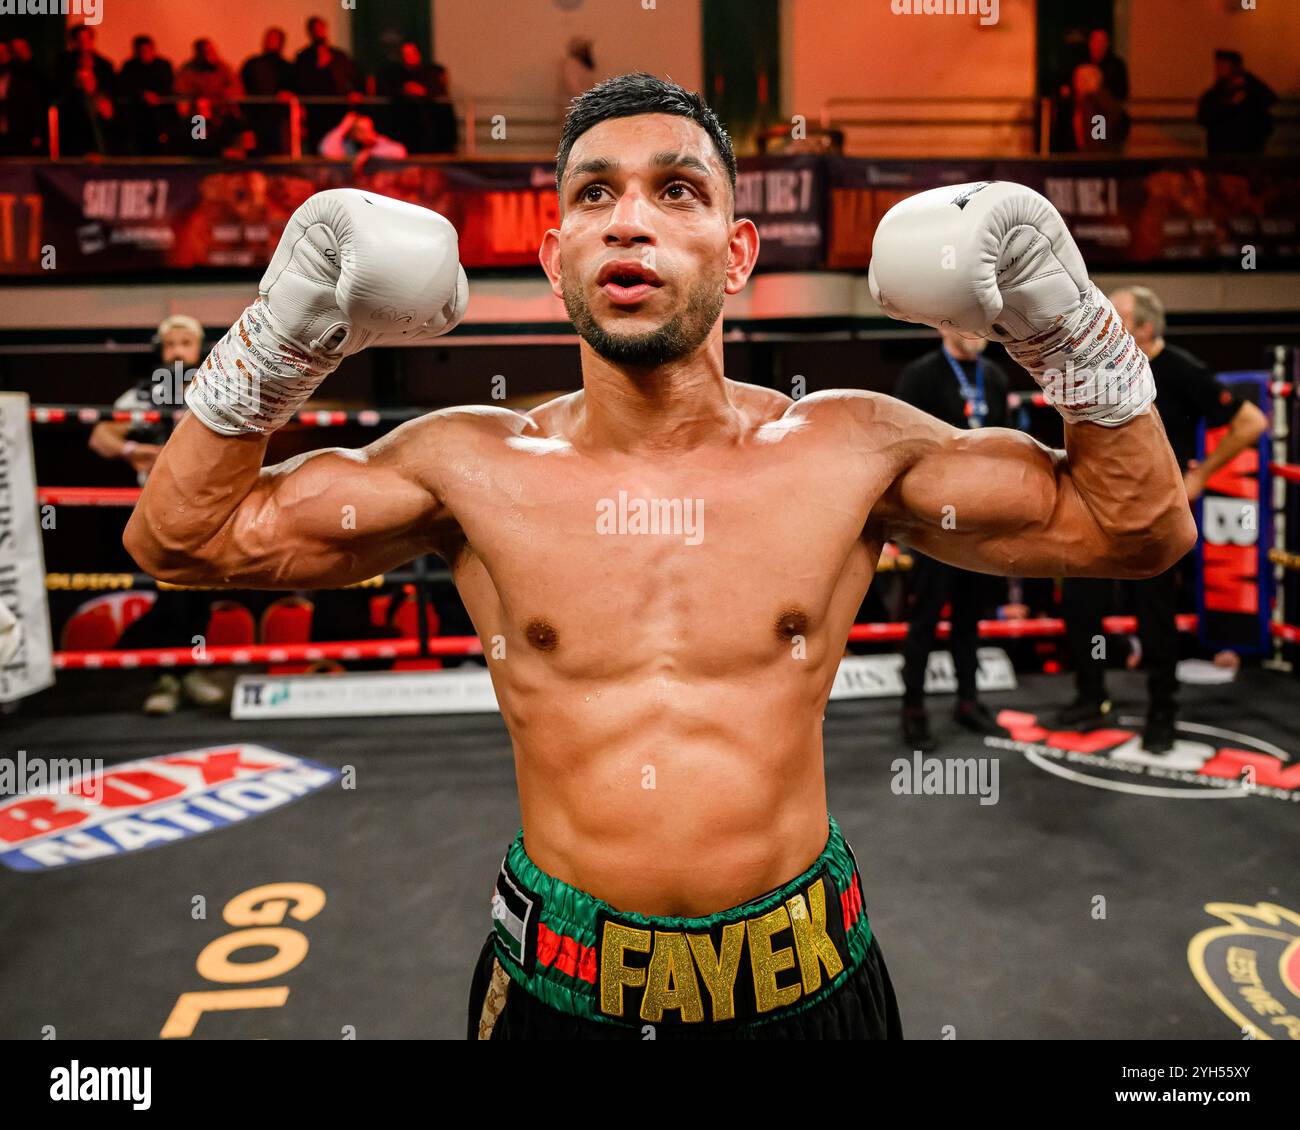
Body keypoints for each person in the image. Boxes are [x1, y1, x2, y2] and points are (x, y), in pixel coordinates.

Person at [125, 75, 1195, 1040]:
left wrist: (1070, 330)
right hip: (561, 994)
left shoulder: (851, 447)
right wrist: (279, 342)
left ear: (738, 252)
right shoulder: (467, 465)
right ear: (555, 260)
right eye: (594, 193)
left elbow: (1135, 529)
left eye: (676, 190)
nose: (628, 219)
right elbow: (180, 539)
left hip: (808, 983)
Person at [1055, 286, 1267, 751]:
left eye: (1117, 318)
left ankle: (1161, 713)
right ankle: (1091, 698)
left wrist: (1200, 477)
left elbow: (1252, 421)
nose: (1103, 325)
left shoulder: (1179, 369)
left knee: (1155, 619)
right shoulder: (1099, 368)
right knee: (1081, 606)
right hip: (1097, 511)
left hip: (1153, 516)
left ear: (1145, 329)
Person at [91, 315, 227, 714]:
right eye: (171, 345)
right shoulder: (144, 394)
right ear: (160, 351)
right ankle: (167, 677)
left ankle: (189, 672)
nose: (178, 352)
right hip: (158, 510)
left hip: (207, 508)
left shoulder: (217, 385)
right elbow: (100, 436)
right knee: (167, 592)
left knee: (201, 591)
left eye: (186, 343)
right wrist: (133, 450)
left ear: (199, 348)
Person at [895, 328, 1011, 751]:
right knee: (924, 618)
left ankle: (967, 700)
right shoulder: (920, 376)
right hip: (933, 521)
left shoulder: (994, 377)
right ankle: (913, 709)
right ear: (945, 325)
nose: (975, 332)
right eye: (965, 323)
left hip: (979, 518)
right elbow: (903, 446)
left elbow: (1007, 446)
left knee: (969, 617)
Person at [294, 15, 360, 149]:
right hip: (315, 111)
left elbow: (352, 78)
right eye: (316, 29)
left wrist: (353, 92)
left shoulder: (339, 56)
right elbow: (300, 82)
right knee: (317, 146)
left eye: (321, 29)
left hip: (338, 109)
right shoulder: (303, 57)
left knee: (339, 145)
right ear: (310, 32)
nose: (320, 32)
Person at [1197, 49, 1277, 155]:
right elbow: (1203, 118)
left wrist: (1248, 79)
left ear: (1235, 67)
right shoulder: (1213, 94)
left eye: (1223, 66)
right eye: (1218, 66)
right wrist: (1230, 105)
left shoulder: (1251, 91)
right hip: (1221, 149)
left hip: (1249, 148)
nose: (1218, 70)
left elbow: (1271, 99)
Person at [378, 41, 453, 154]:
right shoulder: (394, 74)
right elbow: (386, 90)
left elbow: (438, 93)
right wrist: (404, 89)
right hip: (403, 123)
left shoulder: (429, 74)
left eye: (412, 53)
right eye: (406, 54)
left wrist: (423, 91)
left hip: (428, 125)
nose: (409, 57)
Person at [175, 38, 244, 157]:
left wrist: (221, 96)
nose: (210, 55)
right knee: (199, 139)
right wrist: (198, 98)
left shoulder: (223, 68)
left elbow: (237, 88)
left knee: (236, 125)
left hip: (221, 114)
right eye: (206, 52)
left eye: (212, 51)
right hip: (198, 115)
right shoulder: (188, 70)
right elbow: (180, 90)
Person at [116, 35, 177, 155]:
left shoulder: (163, 66)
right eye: (142, 50)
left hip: (161, 117)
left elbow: (169, 86)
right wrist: (142, 95)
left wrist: (155, 96)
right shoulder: (129, 67)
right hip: (139, 117)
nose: (145, 53)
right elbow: (124, 87)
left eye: (147, 50)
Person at [240, 28, 295, 156]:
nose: (270, 42)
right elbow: (242, 90)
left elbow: (294, 90)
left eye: (274, 39)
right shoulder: (252, 64)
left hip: (279, 122)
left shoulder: (287, 67)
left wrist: (289, 95)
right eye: (269, 38)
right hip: (255, 119)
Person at [318, 111, 406, 170]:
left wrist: (369, 154)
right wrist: (343, 126)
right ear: (352, 132)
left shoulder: (379, 142)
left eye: (368, 129)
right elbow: (326, 150)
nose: (365, 133)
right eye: (360, 130)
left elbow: (400, 151)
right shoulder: (347, 146)